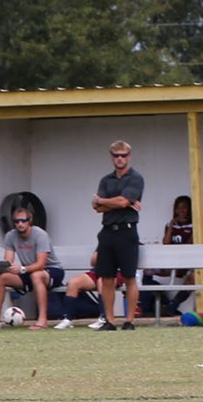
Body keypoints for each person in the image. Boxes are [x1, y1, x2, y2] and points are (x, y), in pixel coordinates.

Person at [90, 139, 143, 331]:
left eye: (123, 155)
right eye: (116, 155)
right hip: (107, 232)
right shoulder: (106, 180)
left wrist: (105, 201)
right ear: (111, 157)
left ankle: (129, 320)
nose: (120, 159)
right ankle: (110, 320)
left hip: (127, 231)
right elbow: (96, 208)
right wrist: (121, 202)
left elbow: (120, 202)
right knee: (107, 278)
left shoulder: (135, 178)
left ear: (129, 157)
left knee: (129, 277)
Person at [0, 208, 66, 329]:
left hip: (52, 270)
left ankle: (42, 320)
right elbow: (8, 261)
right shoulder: (10, 236)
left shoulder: (40, 235)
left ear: (30, 221)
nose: (20, 224)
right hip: (29, 271)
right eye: (17, 221)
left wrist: (22, 269)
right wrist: (0, 269)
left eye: (23, 220)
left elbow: (41, 264)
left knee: (36, 275)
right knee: (1, 278)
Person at [140, 194, 195, 317]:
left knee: (185, 274)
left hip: (185, 262)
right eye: (178, 208)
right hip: (170, 261)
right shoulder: (171, 225)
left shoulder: (194, 226)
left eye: (184, 208)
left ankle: (170, 305)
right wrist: (171, 225)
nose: (181, 211)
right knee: (146, 272)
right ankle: (157, 304)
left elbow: (189, 245)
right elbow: (166, 242)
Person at [55, 253, 139, 329]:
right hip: (98, 271)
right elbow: (93, 262)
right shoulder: (105, 238)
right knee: (73, 282)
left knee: (102, 282)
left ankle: (104, 317)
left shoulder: (127, 240)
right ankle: (68, 318)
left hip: (118, 272)